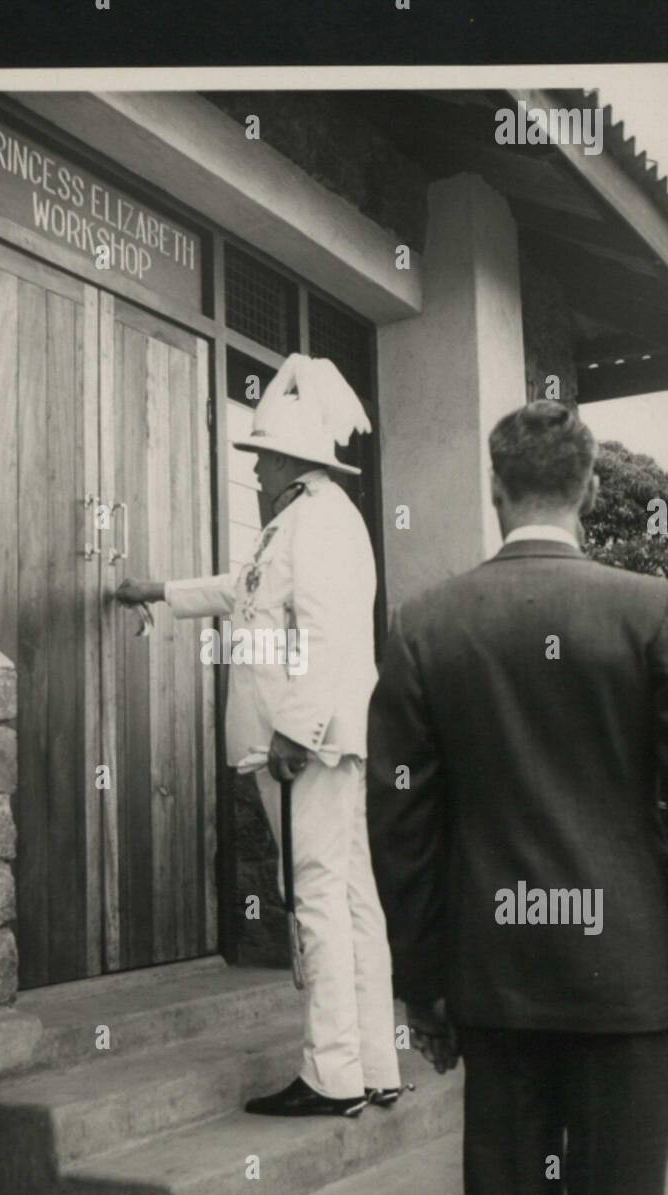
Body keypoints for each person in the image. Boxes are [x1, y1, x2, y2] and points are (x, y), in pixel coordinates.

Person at [367, 400, 668, 1195]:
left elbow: (399, 822)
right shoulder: (654, 611)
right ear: (587, 487)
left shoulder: (424, 626)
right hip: (627, 982)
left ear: (494, 487)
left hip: (494, 985)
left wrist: (421, 983)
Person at [116, 354, 401, 1117]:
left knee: (314, 898)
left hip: (308, 747)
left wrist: (294, 733)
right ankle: (371, 1065)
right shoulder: (299, 521)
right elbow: (242, 594)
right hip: (311, 744)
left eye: (259, 456)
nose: (251, 470)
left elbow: (330, 633)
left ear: (290, 460)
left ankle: (331, 1075)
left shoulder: (322, 522)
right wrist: (157, 592)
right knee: (346, 899)